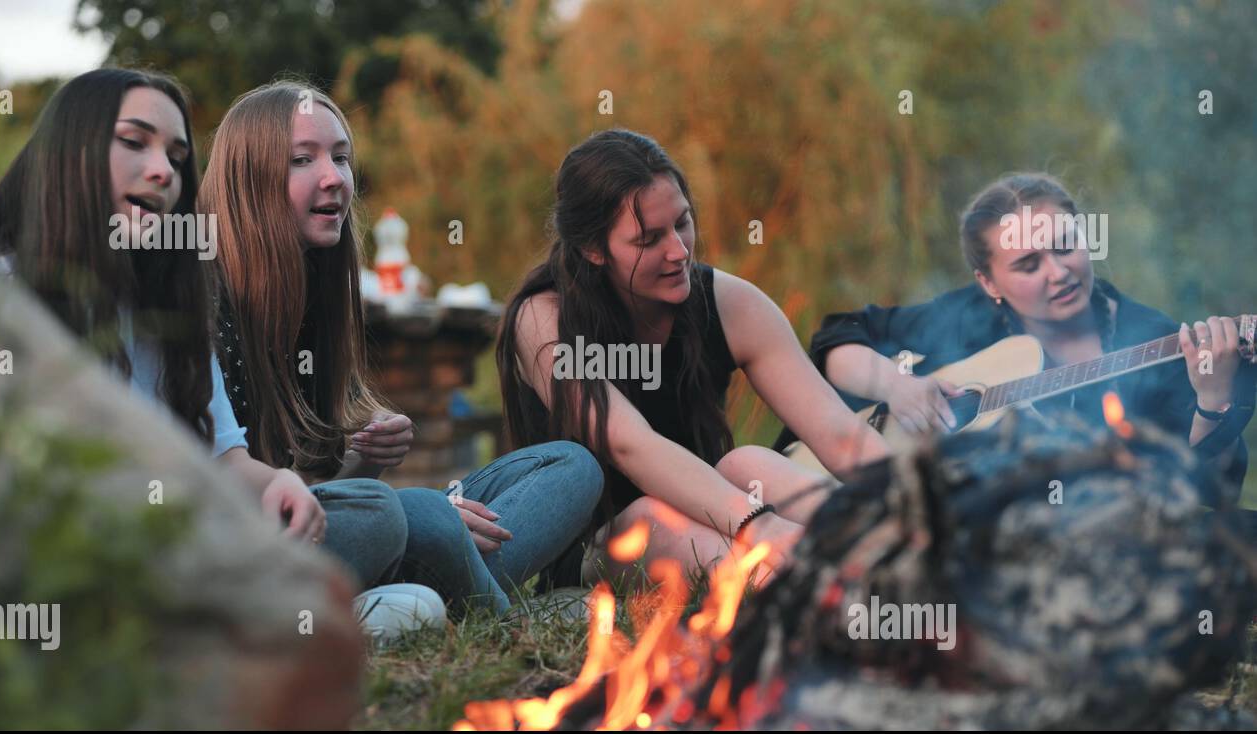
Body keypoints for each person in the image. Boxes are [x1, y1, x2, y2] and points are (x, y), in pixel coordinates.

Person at [0, 68, 443, 643]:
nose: (164, 170)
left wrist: (276, 487)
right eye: (135, 142)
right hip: (38, 574)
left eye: (176, 154)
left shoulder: (168, 301)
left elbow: (225, 459)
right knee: (397, 527)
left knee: (389, 527)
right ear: (71, 149)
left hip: (168, 557)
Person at [200, 81, 604, 617]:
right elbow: (238, 498)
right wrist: (414, 513)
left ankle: (432, 586)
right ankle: (503, 618)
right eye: (303, 159)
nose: (333, 177)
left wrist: (361, 463)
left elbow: (319, 493)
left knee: (572, 466)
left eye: (341, 158)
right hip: (246, 555)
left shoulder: (314, 300)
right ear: (248, 178)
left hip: (340, 534)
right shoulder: (205, 303)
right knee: (394, 514)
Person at [496, 129, 891, 586]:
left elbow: (840, 434)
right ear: (593, 249)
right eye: (649, 240)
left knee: (748, 464)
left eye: (682, 223)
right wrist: (759, 525)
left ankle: (901, 549)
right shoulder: (544, 319)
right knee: (650, 515)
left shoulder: (731, 303)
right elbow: (630, 445)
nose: (679, 252)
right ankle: (820, 586)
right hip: (603, 546)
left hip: (720, 514)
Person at [775, 172, 1254, 505]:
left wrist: (1214, 400)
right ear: (989, 283)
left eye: (1066, 246)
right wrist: (895, 385)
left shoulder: (1155, 341)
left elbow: (1207, 492)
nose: (1058, 271)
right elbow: (841, 337)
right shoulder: (971, 316)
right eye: (1028, 264)